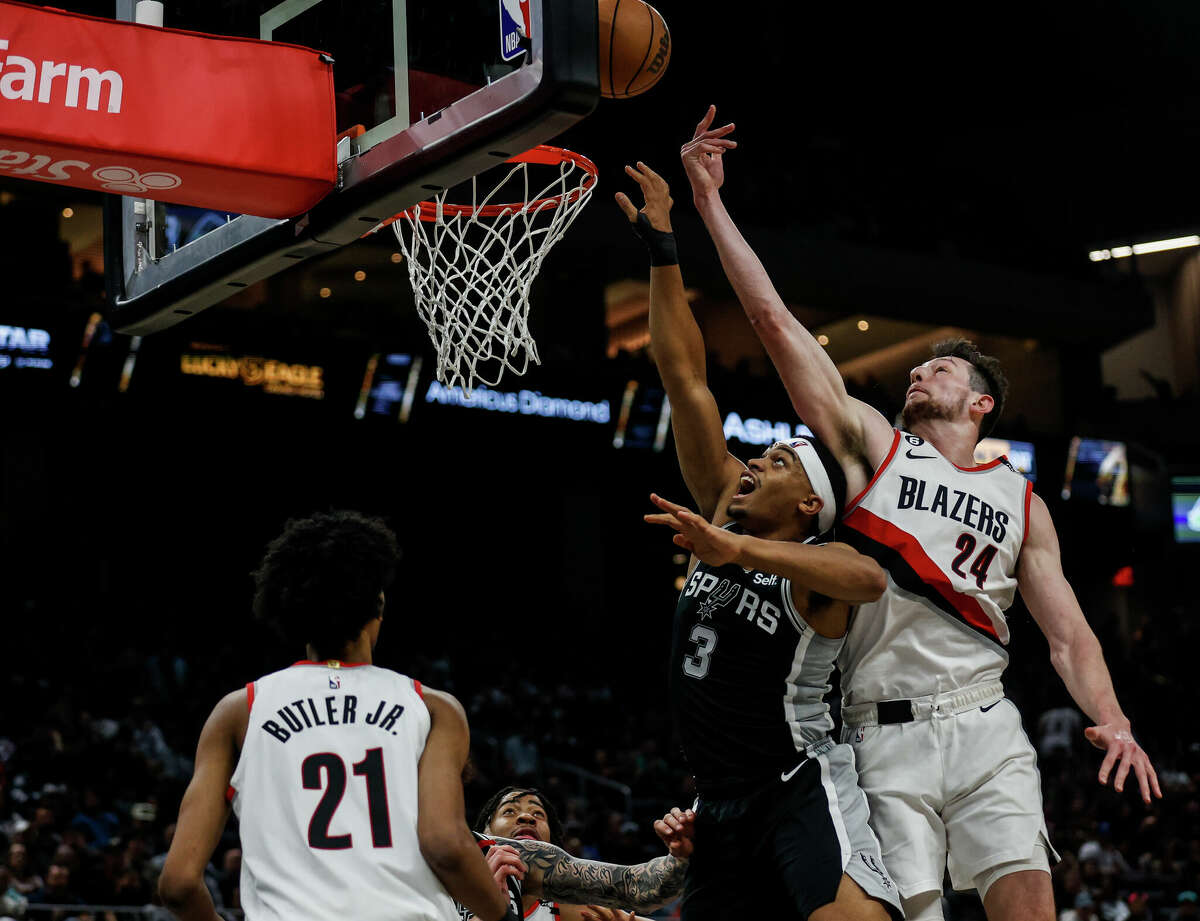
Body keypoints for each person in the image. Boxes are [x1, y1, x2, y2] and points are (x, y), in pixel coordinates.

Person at [677, 105, 1162, 921]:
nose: (917, 374)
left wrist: (1113, 722)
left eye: (937, 368)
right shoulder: (875, 446)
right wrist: (710, 204)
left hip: (982, 720)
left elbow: (1070, 634)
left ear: (979, 403)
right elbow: (774, 322)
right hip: (878, 729)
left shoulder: (1023, 501)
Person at [616, 160, 902, 920]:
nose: (750, 466)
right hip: (718, 802)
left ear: (810, 501)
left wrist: (735, 551)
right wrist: (663, 250)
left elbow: (869, 580)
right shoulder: (722, 508)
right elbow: (684, 375)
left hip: (797, 783)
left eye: (775, 462)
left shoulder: (813, 569)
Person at [157, 510, 521, 921]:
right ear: (378, 605)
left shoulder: (238, 711)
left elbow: (179, 883)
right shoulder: (432, 707)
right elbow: (445, 846)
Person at [471, 786, 693, 921]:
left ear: (551, 847)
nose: (528, 817)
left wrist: (682, 855)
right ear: (485, 831)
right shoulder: (447, 858)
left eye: (538, 814)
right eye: (509, 811)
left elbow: (643, 885)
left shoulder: (575, 913)